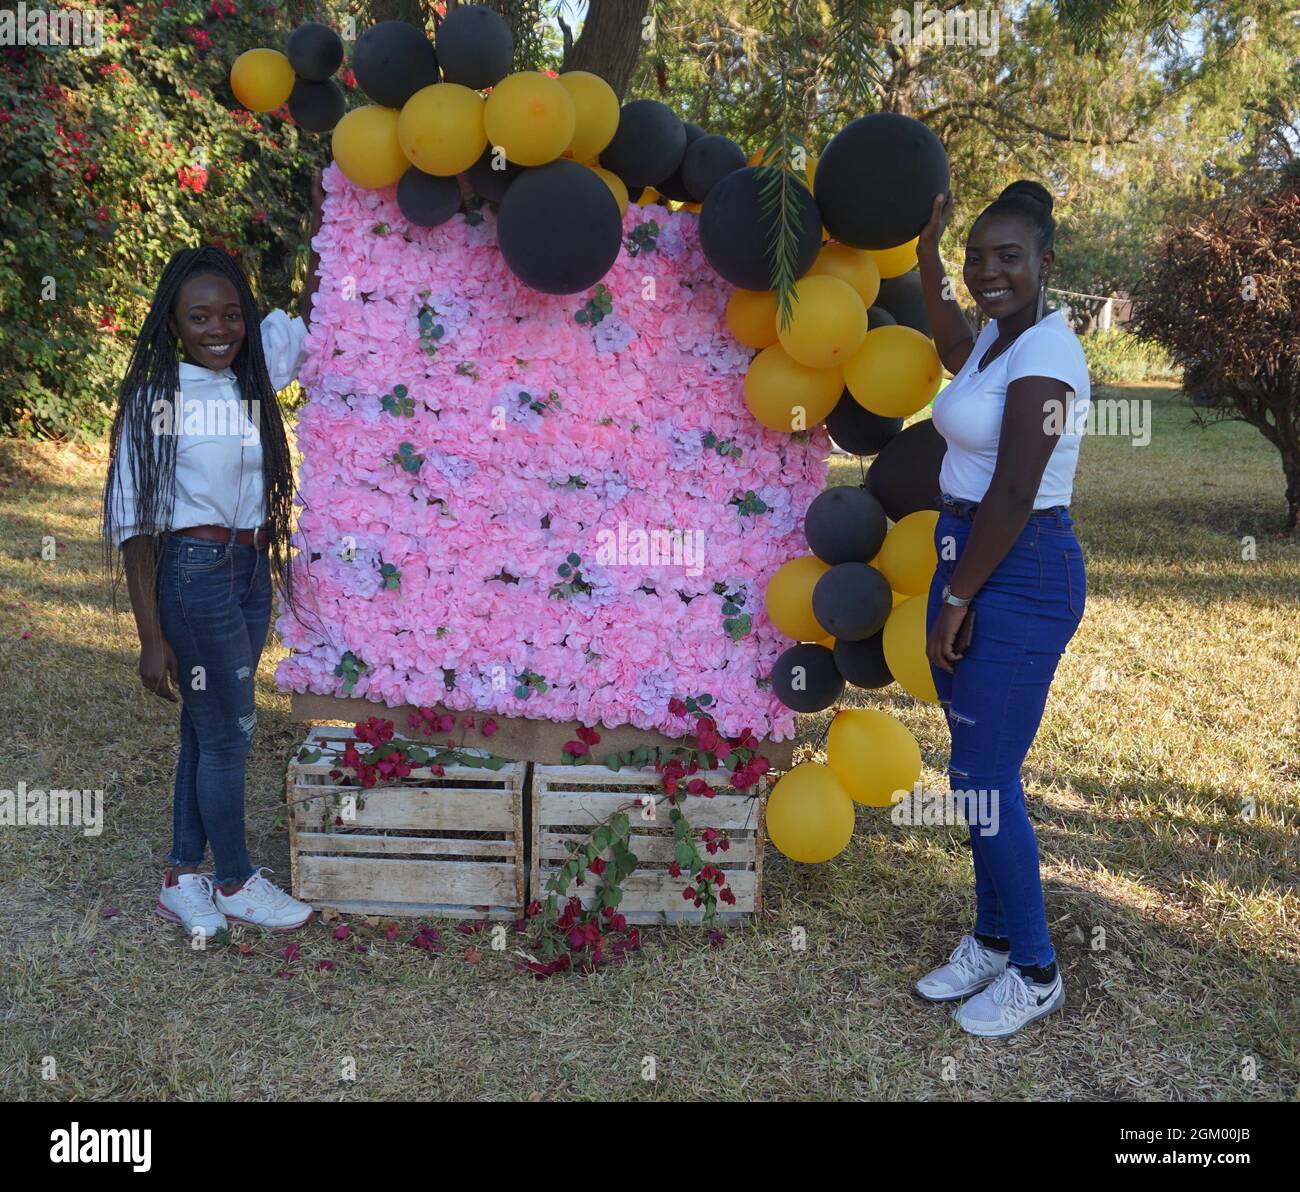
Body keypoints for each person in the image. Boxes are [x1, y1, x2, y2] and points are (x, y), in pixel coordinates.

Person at [102, 174, 327, 940]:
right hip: (193, 576)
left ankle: (180, 874)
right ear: (174, 321)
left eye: (229, 313)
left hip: (248, 572)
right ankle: (233, 881)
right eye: (200, 316)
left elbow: (312, 308)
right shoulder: (156, 399)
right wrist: (149, 636)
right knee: (231, 731)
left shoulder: (252, 372)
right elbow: (133, 525)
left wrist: (340, 215)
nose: (219, 327)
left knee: (206, 727)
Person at [912, 180, 1091, 1037]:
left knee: (986, 778)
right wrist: (925, 255)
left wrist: (958, 596)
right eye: (978, 256)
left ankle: (1036, 966)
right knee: (974, 770)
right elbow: (948, 339)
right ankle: (989, 937)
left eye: (1007, 257)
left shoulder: (1051, 353)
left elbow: (1017, 487)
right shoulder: (993, 341)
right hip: (972, 563)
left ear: (1047, 263)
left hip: (1016, 569)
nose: (989, 271)